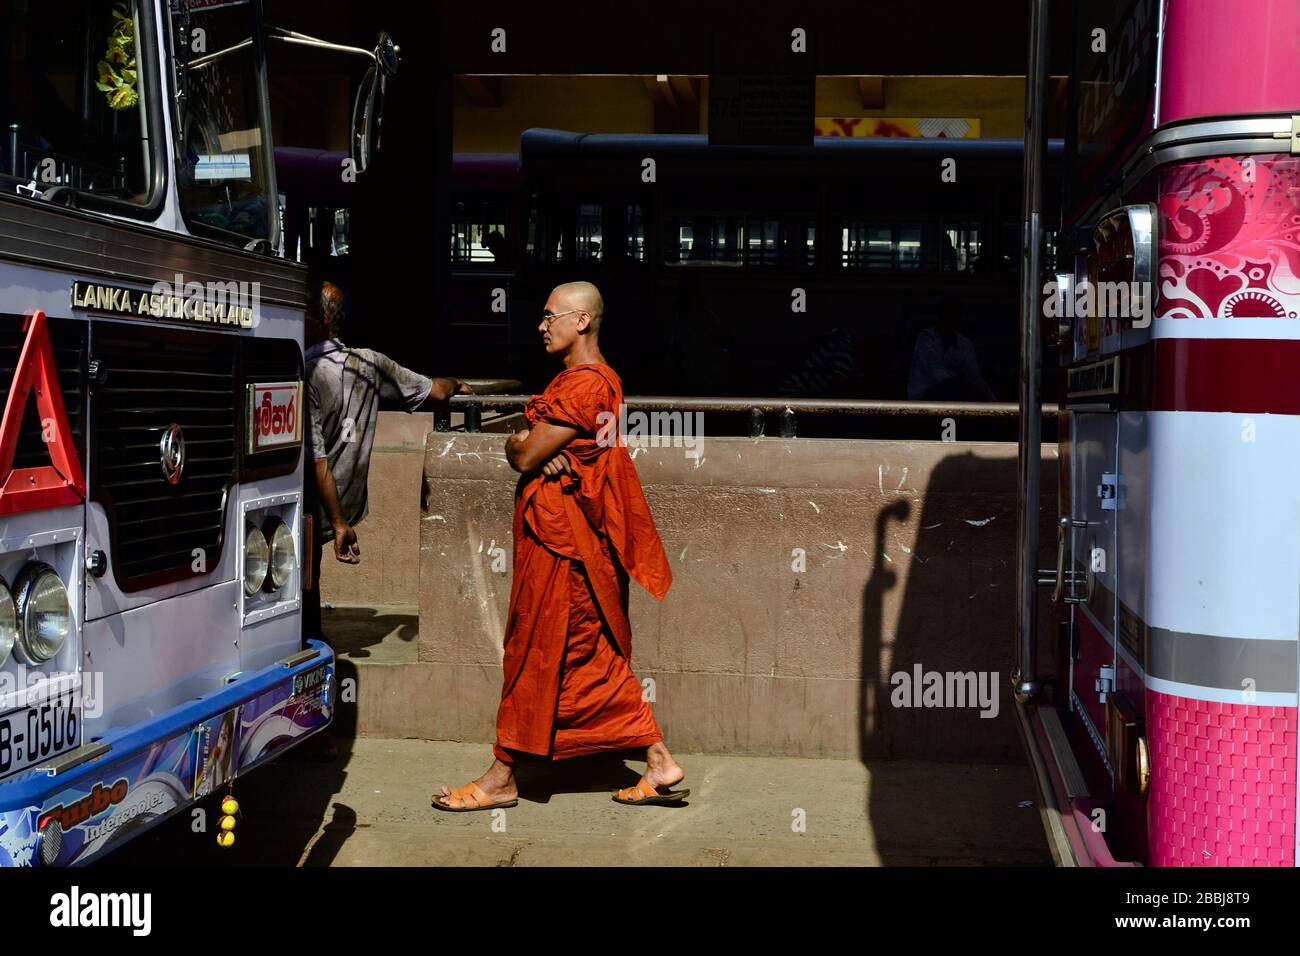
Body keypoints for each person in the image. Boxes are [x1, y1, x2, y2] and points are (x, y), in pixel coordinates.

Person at [433, 281, 688, 811]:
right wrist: (524, 442)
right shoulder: (583, 383)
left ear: (582, 322)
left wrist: (523, 444)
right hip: (563, 546)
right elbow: (526, 445)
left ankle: (502, 777)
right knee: (586, 658)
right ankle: (659, 760)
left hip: (566, 552)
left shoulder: (587, 386)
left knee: (541, 653)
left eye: (551, 316)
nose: (541, 325)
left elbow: (525, 455)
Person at [302, 280, 470, 645]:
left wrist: (338, 522)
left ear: (316, 320)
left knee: (300, 582)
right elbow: (436, 390)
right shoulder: (371, 363)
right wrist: (456, 383)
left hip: (311, 506)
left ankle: (307, 645)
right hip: (340, 502)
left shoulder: (304, 373)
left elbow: (317, 462)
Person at [906, 300, 996, 401]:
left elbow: (974, 376)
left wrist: (992, 401)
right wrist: (959, 381)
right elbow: (935, 371)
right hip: (923, 395)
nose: (950, 319)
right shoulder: (926, 337)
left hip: (955, 394)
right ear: (940, 316)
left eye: (955, 315)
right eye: (947, 314)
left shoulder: (965, 343)